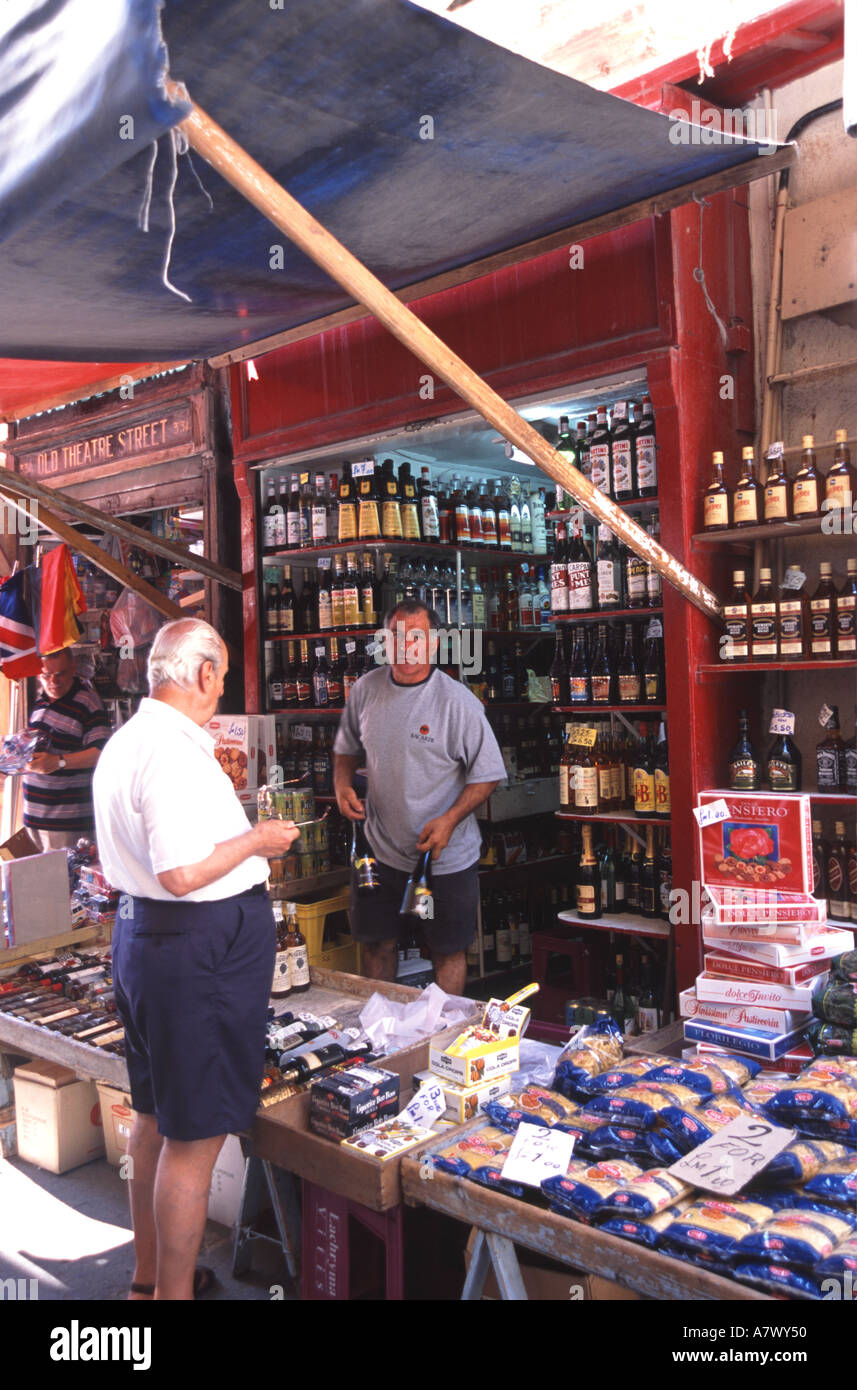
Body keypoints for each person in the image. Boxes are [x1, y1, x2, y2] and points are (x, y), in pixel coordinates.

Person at [93, 618, 299, 1301]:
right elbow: (181, 873)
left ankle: (150, 1281)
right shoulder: (170, 751)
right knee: (194, 1139)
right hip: (192, 951)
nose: (222, 687)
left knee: (156, 1119)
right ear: (205, 673)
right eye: (223, 675)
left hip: (148, 939)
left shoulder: (128, 741)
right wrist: (258, 841)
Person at [334, 599, 505, 995]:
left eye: (417, 637)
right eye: (397, 636)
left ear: (434, 643)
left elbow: (488, 775)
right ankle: (380, 1027)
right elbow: (345, 748)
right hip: (379, 850)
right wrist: (342, 785)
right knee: (377, 944)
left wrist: (450, 820)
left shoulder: (457, 702)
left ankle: (446, 1030)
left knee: (447, 950)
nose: (406, 647)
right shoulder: (365, 690)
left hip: (444, 856)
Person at [23, 647, 110, 851]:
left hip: (66, 825)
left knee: (65, 873)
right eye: (46, 675)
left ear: (73, 667)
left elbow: (101, 753)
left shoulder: (88, 703)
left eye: (60, 674)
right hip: (33, 818)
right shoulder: (40, 701)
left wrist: (58, 762)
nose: (53, 681)